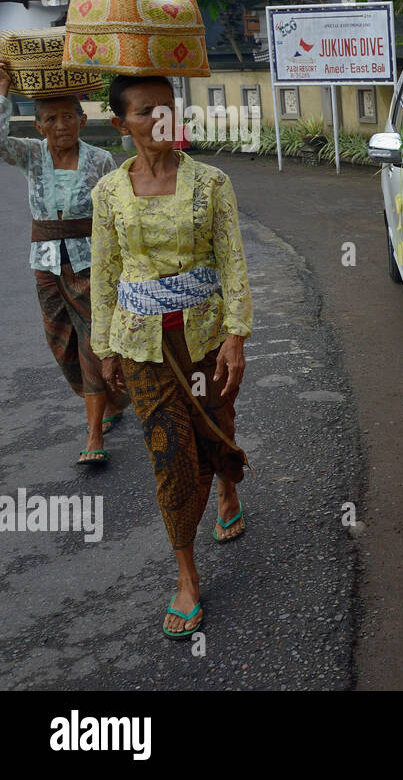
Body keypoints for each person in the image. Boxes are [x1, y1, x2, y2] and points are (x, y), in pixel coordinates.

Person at [90, 74, 254, 639]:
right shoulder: (108, 194)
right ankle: (186, 575)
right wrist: (104, 346)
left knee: (214, 425)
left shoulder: (211, 183)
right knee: (169, 452)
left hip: (204, 337)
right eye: (144, 112)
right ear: (120, 124)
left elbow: (232, 260)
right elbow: (105, 274)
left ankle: (228, 488)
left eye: (168, 108)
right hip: (141, 344)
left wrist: (236, 334)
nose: (160, 119)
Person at [0, 59, 127, 462]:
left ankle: (93, 437)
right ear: (37, 126)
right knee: (61, 345)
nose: (61, 125)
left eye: (68, 116)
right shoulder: (31, 156)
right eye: (51, 119)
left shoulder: (100, 161)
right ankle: (111, 401)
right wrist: (2, 90)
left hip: (90, 264)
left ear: (82, 120)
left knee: (92, 343)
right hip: (46, 264)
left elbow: (112, 216)